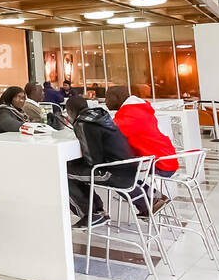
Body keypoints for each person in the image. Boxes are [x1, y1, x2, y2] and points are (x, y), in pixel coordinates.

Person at [64, 95, 153, 227]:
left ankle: (92, 213)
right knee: (76, 170)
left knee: (64, 173)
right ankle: (145, 204)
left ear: (70, 112)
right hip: (130, 169)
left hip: (113, 172)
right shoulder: (101, 116)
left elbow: (94, 161)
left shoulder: (82, 123)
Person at [106, 85, 179, 182]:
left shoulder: (130, 114)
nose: (105, 101)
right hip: (167, 160)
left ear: (117, 97)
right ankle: (152, 195)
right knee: (122, 170)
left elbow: (109, 133)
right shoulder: (138, 109)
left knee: (112, 173)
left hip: (160, 164)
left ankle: (145, 196)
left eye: (107, 97)